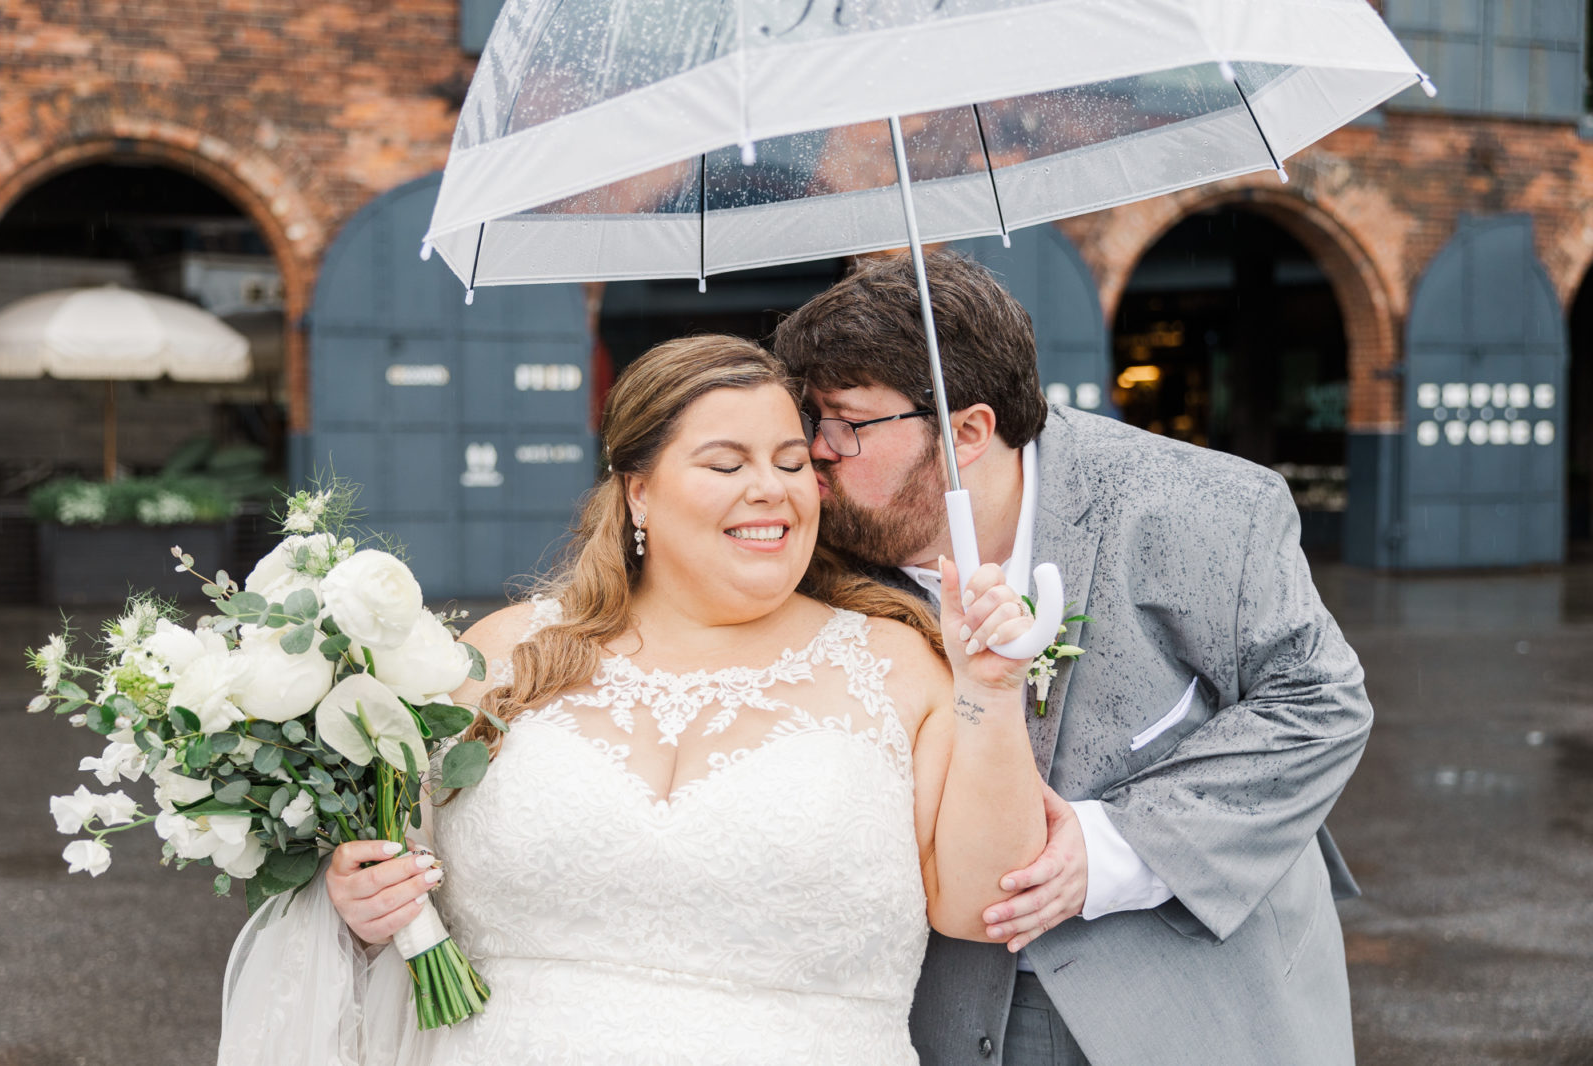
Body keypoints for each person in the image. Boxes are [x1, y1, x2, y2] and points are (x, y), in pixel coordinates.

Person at [224, 335, 1051, 1065]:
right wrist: (362, 900)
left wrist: (993, 692)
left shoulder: (903, 666)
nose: (772, 488)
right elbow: (395, 869)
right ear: (638, 493)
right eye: (727, 464)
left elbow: (984, 906)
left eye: (793, 462)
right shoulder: (500, 657)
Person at [772, 251, 1373, 1066]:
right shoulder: (801, 551)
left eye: (843, 423)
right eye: (807, 421)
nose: (814, 452)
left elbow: (1320, 703)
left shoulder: (1203, 508)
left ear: (969, 432)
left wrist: (1114, 849)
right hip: (935, 1009)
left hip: (1194, 999)